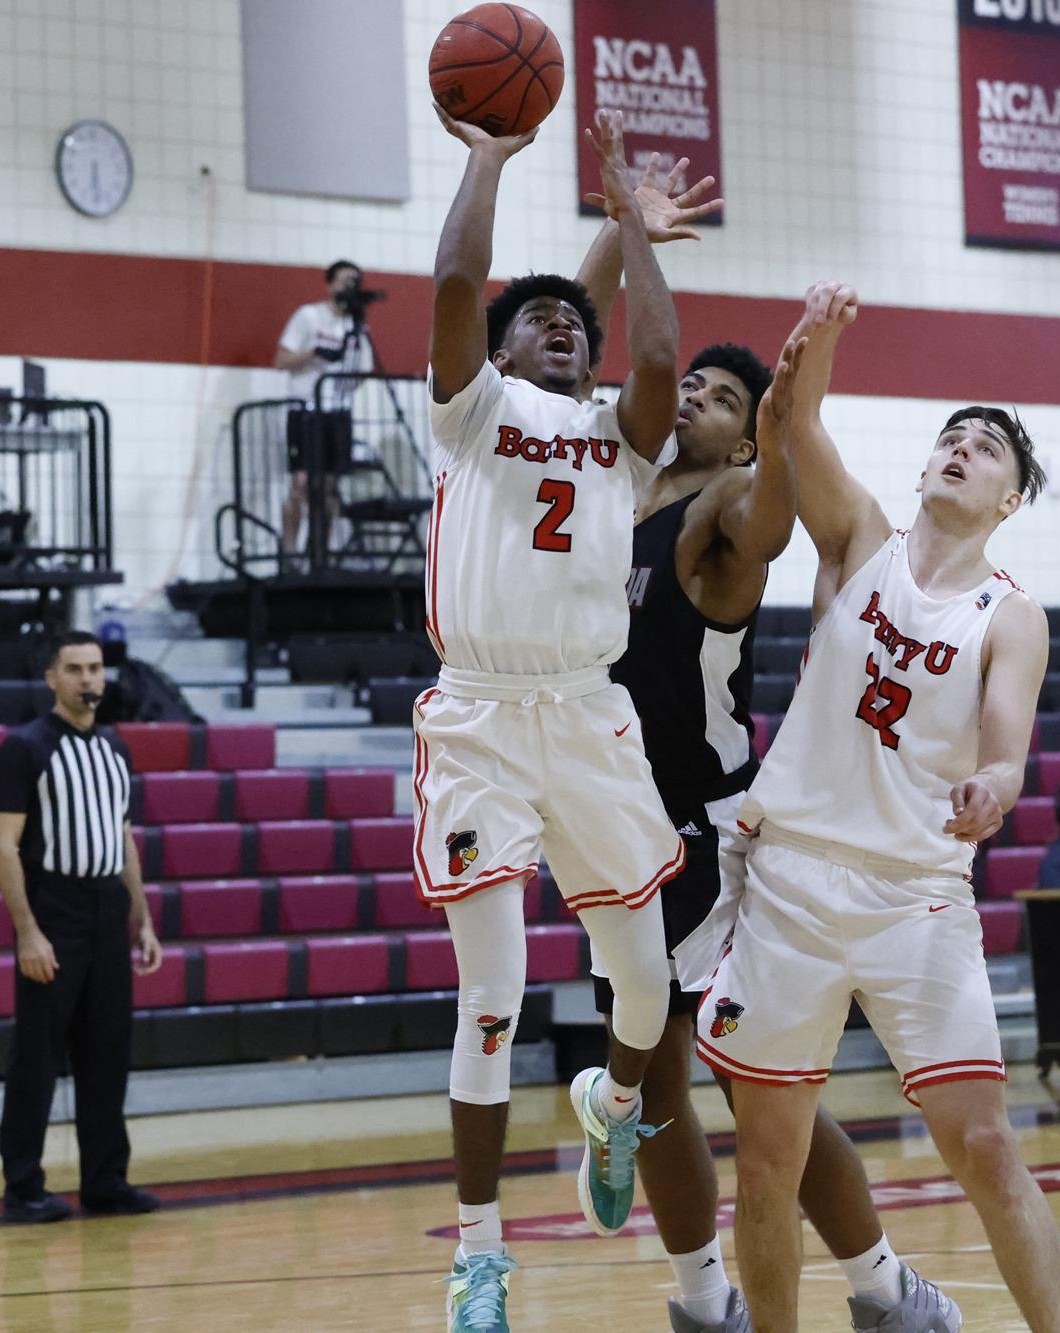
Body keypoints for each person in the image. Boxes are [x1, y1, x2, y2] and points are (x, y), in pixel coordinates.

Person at [573, 175, 957, 1333]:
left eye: (719, 392)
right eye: (685, 380)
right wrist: (621, 226)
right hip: (611, 821)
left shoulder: (727, 511)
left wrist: (788, 413)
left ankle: (878, 1290)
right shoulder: (616, 495)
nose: (687, 392)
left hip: (708, 830)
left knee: (739, 1081)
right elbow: (569, 326)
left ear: (748, 431)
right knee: (669, 1089)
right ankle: (723, 1298)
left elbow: (776, 521)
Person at [698, 281, 1060, 1332]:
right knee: (767, 1161)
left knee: (985, 1144)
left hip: (915, 893)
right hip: (792, 883)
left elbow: (1005, 747)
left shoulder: (1011, 613)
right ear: (923, 468)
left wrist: (993, 787)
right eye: (948, 438)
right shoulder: (858, 537)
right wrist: (814, 339)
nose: (961, 448)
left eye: (986, 448)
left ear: (1009, 500)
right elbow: (797, 418)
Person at [422, 104, 685, 1332]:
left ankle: (615, 1108)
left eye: (577, 322)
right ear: (498, 346)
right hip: (479, 717)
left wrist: (633, 233)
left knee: (643, 986)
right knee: (494, 990)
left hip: (587, 715)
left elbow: (661, 364)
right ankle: (478, 1254)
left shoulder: (620, 439)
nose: (564, 327)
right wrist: (487, 159)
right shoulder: (470, 410)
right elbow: (462, 277)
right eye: (541, 320)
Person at [0, 630, 164, 1223]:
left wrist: (142, 917)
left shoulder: (115, 747)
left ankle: (106, 1182)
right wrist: (27, 932)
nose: (89, 679)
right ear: (51, 678)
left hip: (107, 909)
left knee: (107, 1052)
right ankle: (24, 1187)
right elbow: (3, 847)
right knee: (36, 1056)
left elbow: (122, 836)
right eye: (75, 669)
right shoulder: (23, 748)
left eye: (95, 668)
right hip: (53, 910)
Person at [274, 260, 375, 564]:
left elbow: (364, 370)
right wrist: (314, 353)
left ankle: (321, 554)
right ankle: (289, 553)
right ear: (329, 284)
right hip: (305, 411)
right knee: (301, 483)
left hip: (337, 414)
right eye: (344, 280)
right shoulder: (309, 316)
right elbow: (281, 359)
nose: (349, 286)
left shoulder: (357, 327)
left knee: (330, 487)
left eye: (355, 281)